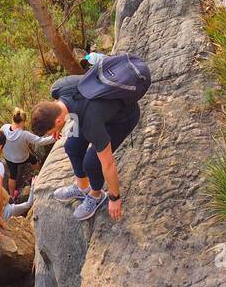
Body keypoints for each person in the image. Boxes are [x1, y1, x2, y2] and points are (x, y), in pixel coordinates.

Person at [30, 55, 147, 223]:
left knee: (92, 163)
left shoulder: (91, 124)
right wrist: (56, 127)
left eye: (51, 131)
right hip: (90, 112)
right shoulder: (59, 88)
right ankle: (82, 187)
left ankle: (97, 195)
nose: (52, 134)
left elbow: (108, 164)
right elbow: (69, 101)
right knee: (71, 147)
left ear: (58, 121)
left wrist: (115, 197)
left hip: (121, 118)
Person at [0, 108, 54, 198]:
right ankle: (41, 174)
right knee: (33, 159)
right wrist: (54, 137)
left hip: (8, 157)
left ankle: (12, 196)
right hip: (22, 158)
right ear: (23, 122)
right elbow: (40, 141)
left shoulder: (4, 128)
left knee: (12, 175)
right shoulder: (24, 134)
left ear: (13, 119)